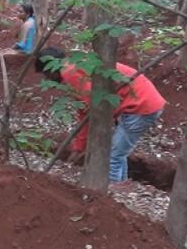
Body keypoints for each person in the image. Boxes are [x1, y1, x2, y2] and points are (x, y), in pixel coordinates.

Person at [35, 47, 166, 185]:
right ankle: (122, 186)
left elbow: (93, 109)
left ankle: (113, 191)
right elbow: (85, 109)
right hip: (143, 102)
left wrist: (80, 147)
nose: (46, 79)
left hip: (141, 105)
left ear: (50, 69)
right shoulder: (77, 64)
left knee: (113, 156)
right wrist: (79, 146)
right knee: (117, 154)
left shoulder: (70, 73)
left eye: (45, 74)